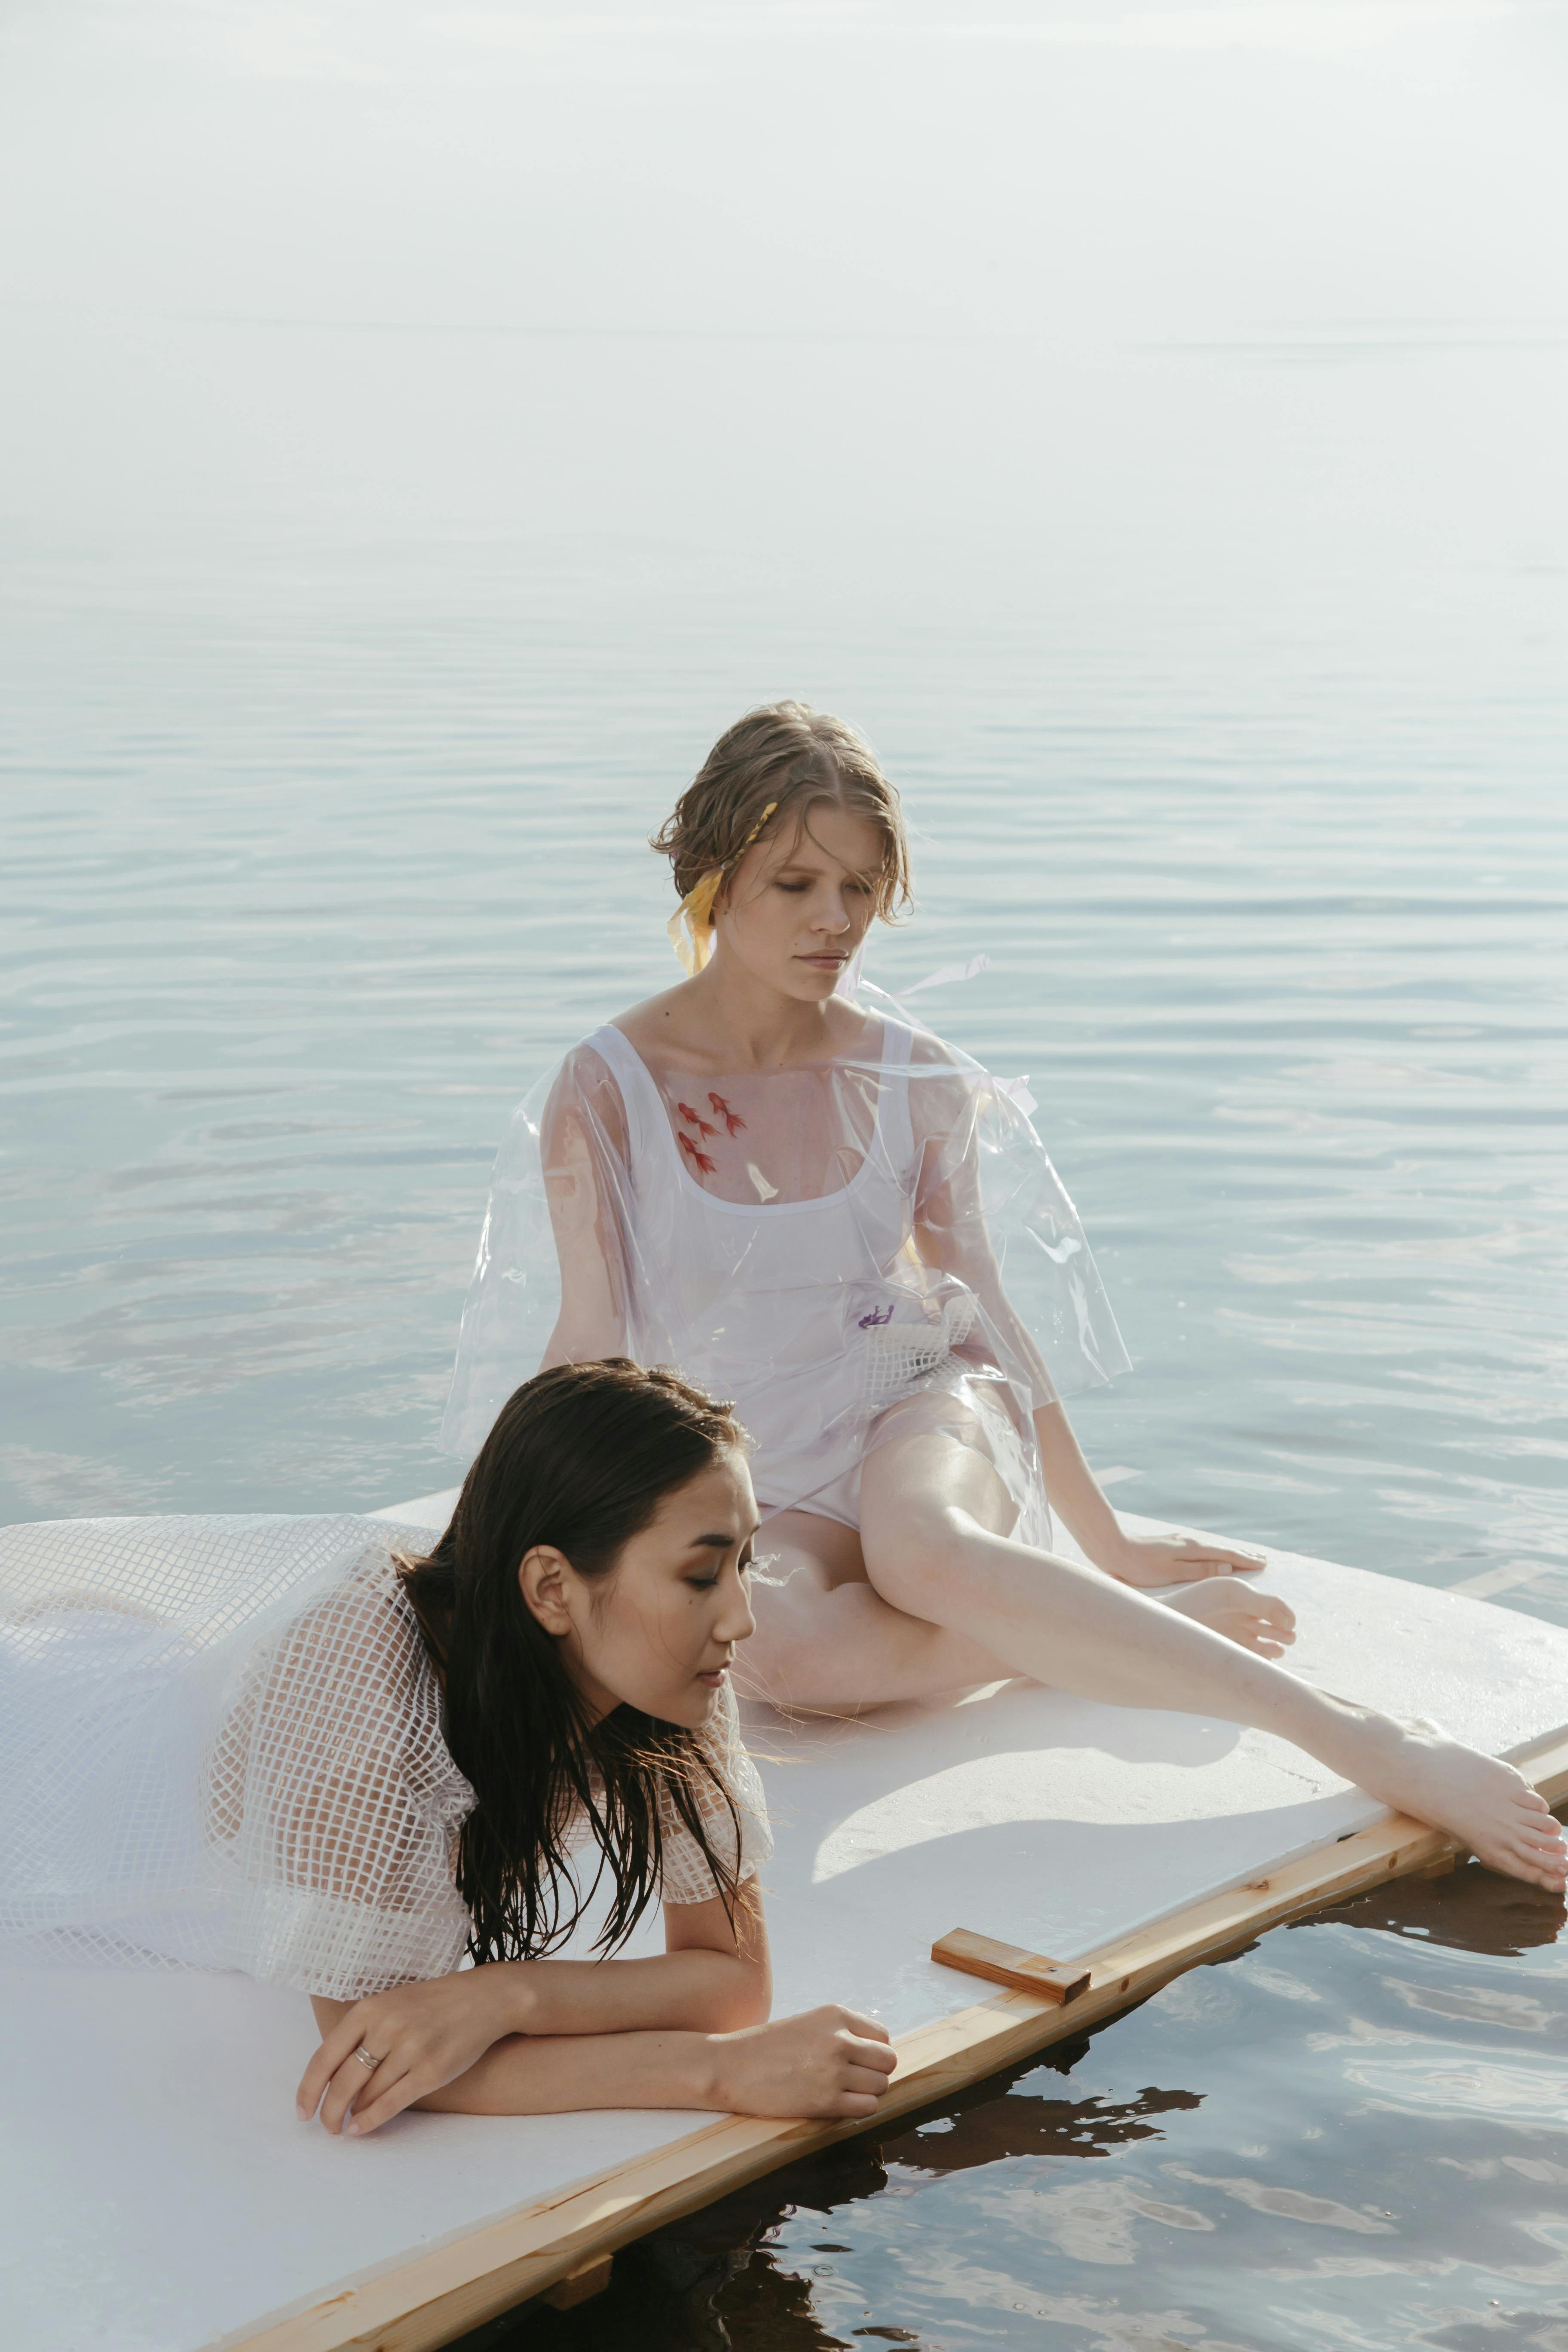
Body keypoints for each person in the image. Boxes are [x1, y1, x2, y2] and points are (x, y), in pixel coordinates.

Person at [442, 702, 1567, 1896]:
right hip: (742, 1461)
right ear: (716, 878)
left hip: (908, 1392)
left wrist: (1109, 1538)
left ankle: (1363, 1736)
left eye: (863, 888)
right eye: (797, 884)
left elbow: (982, 1299)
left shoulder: (910, 1072)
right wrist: (496, 1563)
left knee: (923, 1548)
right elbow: (590, 1345)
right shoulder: (607, 1088)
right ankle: (1050, 1641)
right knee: (784, 1657)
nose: (837, 921)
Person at [0, 1359, 897, 2137]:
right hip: (51, 1780)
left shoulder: (671, 1667)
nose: (740, 1615)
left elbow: (732, 1981)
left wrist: (509, 1993)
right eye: (702, 1574)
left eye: (744, 1562)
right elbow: (370, 2058)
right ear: (552, 1586)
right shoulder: (363, 1689)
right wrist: (717, 2075)